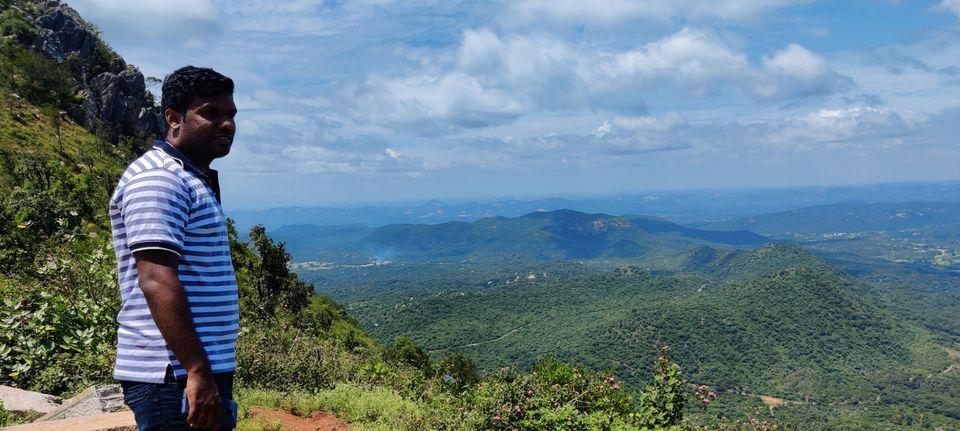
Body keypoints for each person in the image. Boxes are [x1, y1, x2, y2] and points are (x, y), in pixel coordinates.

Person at [109, 66, 239, 431]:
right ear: (173, 118)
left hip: (189, 370)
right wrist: (197, 370)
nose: (226, 125)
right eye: (210, 113)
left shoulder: (187, 176)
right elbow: (155, 279)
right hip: (172, 374)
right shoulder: (159, 178)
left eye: (230, 115)